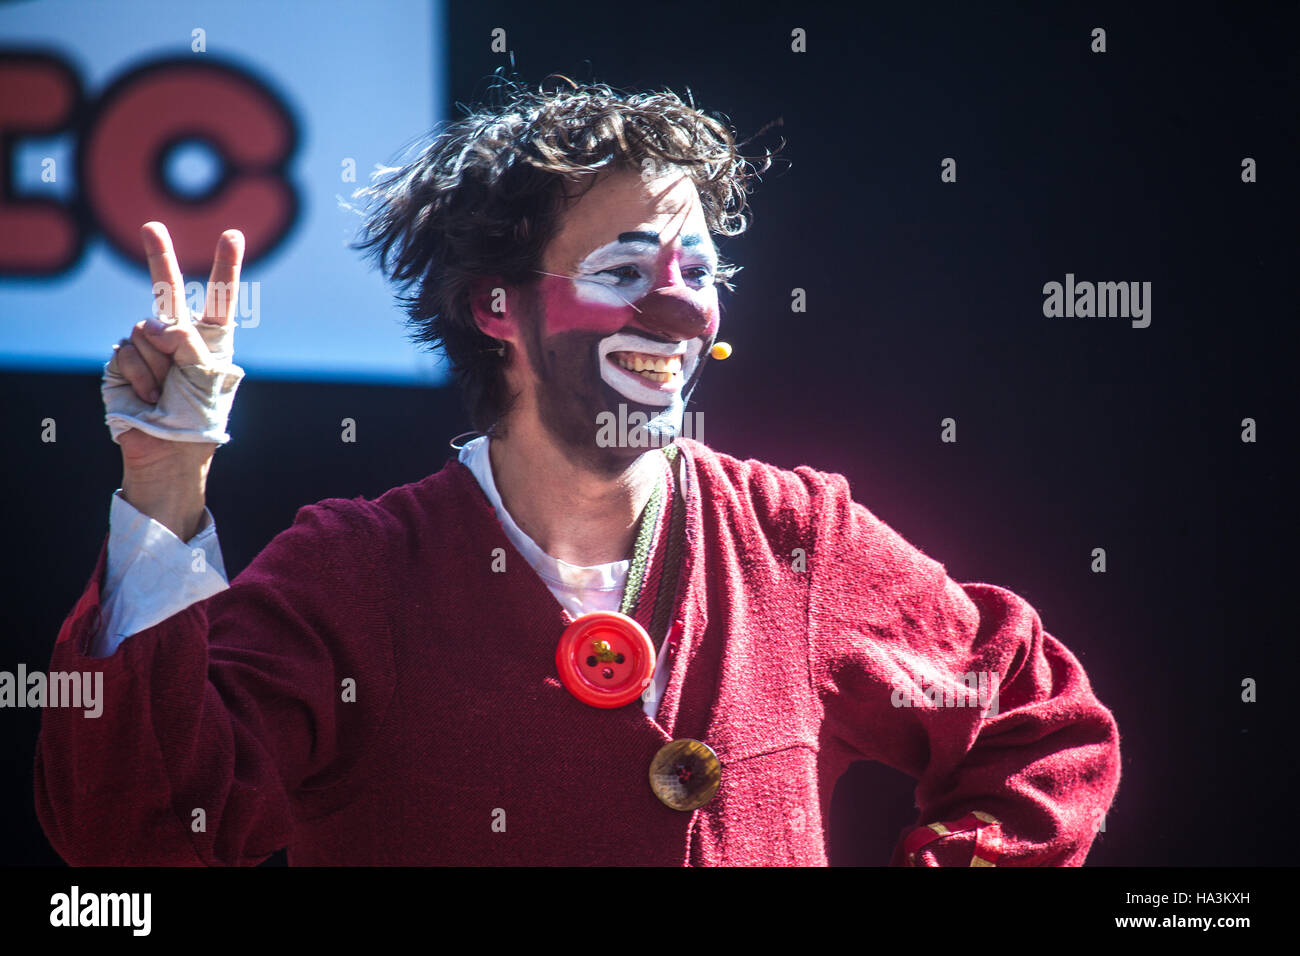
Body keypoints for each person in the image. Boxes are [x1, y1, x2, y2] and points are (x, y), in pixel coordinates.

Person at [34, 82, 1120, 866]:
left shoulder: (796, 537)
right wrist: (166, 482)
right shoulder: (355, 574)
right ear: (495, 308)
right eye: (624, 268)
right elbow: (138, 837)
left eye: (700, 270)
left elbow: (1038, 725)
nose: (684, 305)